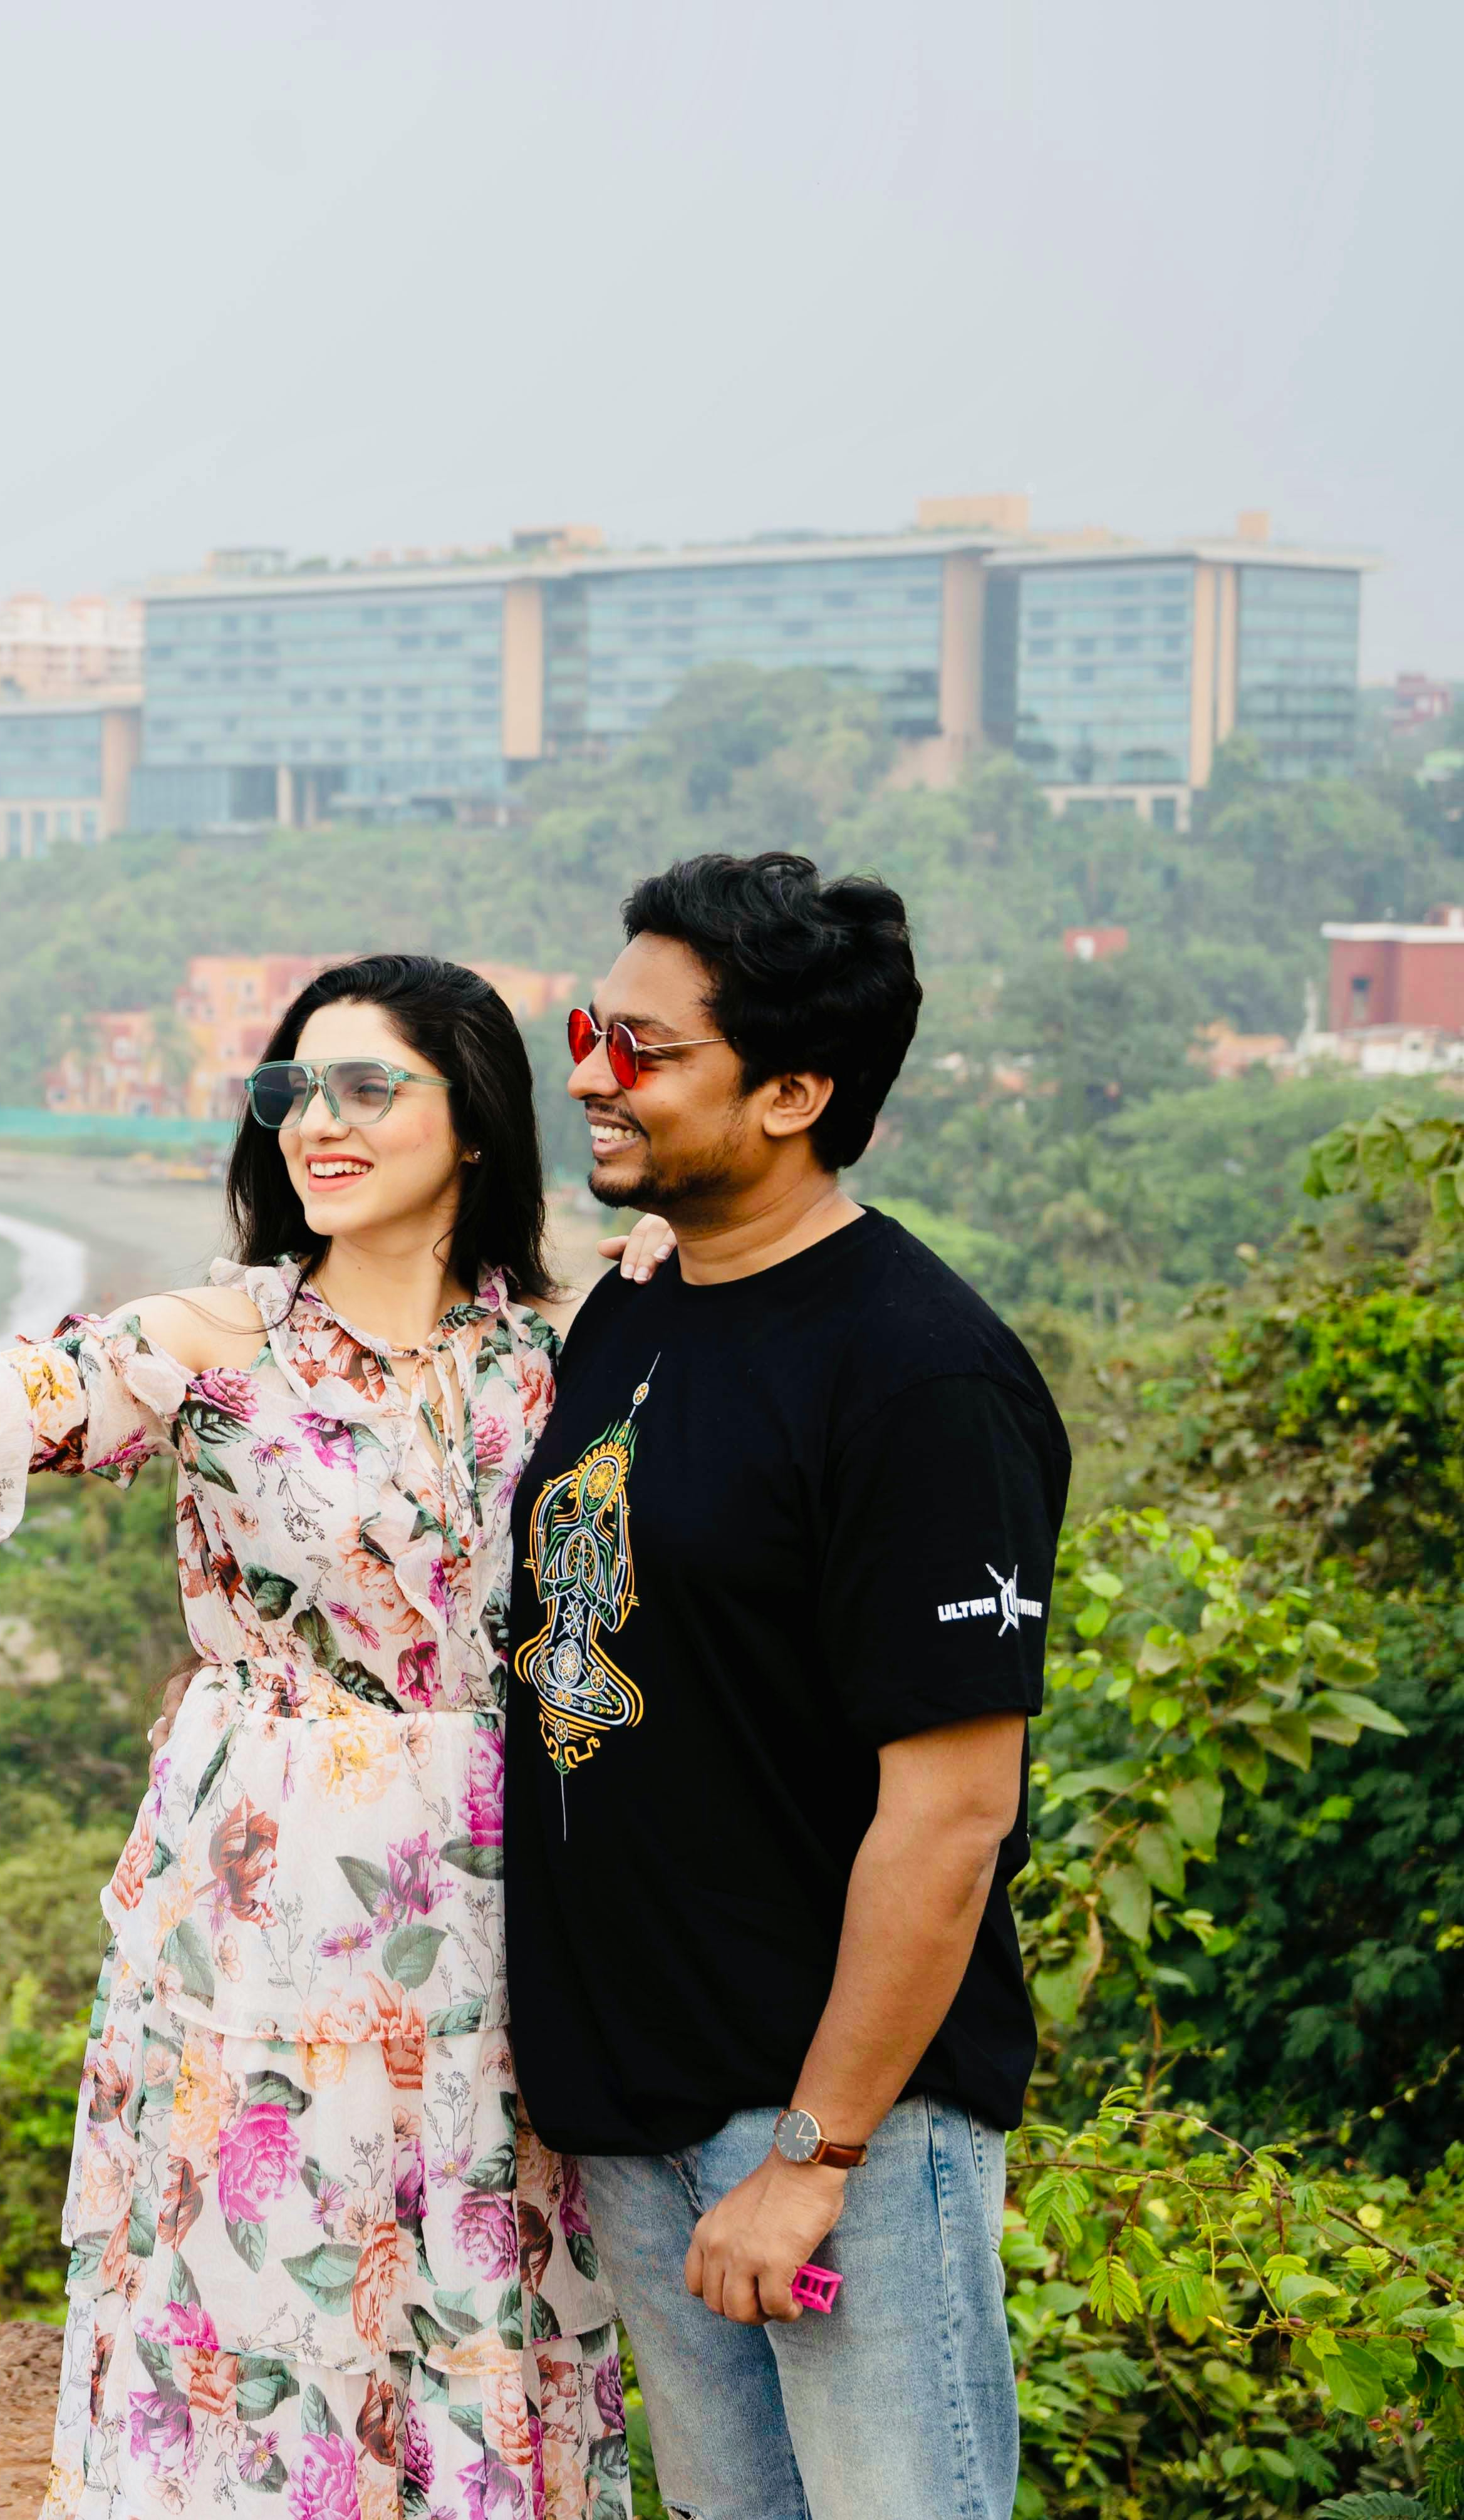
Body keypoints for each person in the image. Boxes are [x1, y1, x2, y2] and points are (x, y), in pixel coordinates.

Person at [0, 954, 660, 2519]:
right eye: (293, 1089)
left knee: (483, 2266)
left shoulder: (569, 1349)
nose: (319, 1120)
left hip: (510, 1897)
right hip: (269, 1906)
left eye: (368, 1086)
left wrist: (677, 1256)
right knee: (268, 2273)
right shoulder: (214, 1339)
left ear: (476, 1119)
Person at [501, 853, 1065, 2519]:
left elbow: (953, 1813)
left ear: (794, 1094)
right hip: (642, 2117)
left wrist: (814, 2156)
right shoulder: (637, 1312)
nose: (592, 1073)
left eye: (647, 1049)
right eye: (592, 1028)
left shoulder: (921, 1374)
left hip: (833, 2130)